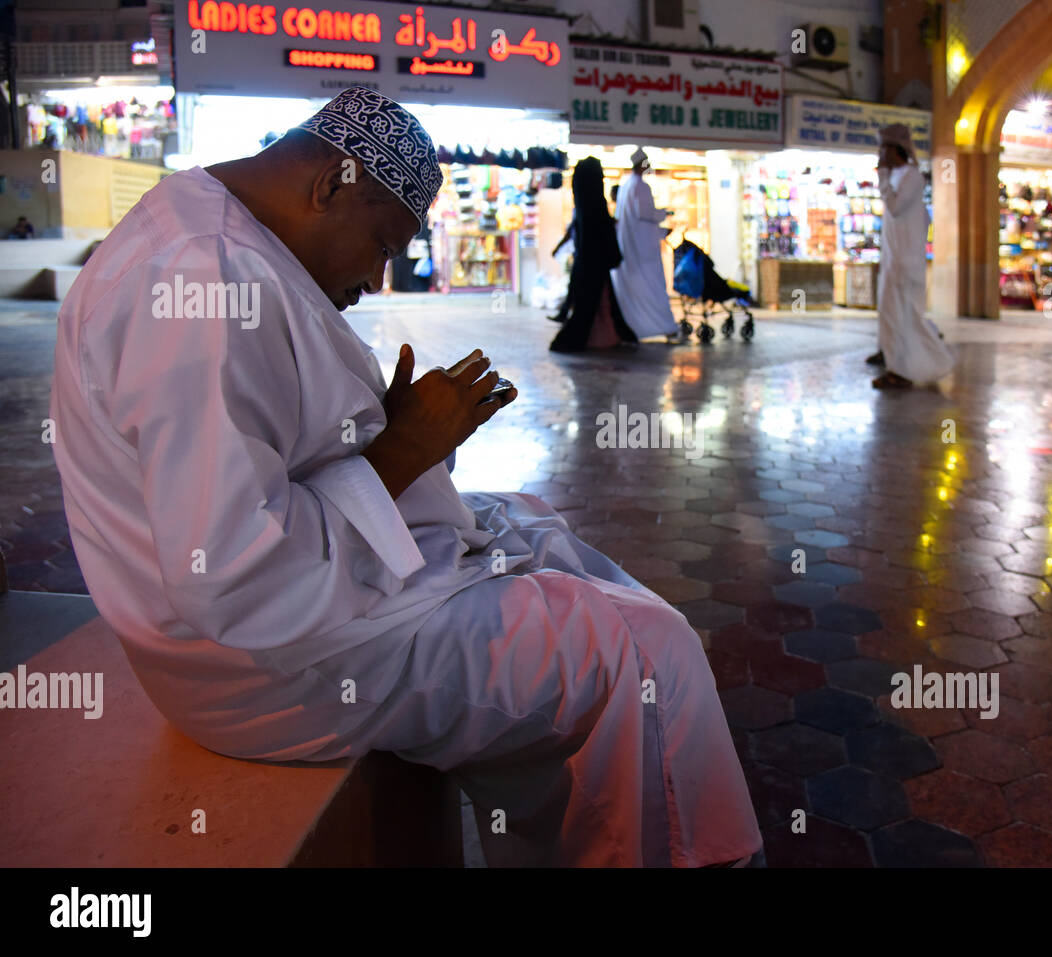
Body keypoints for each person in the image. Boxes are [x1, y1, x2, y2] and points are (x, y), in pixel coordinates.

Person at [49, 87, 761, 868]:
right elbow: (231, 574)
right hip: (268, 666)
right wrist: (401, 451)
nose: (380, 276)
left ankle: (609, 825)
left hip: (297, 613)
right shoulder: (201, 280)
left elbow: (265, 462)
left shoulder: (213, 233)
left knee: (540, 529)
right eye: (384, 243)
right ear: (331, 185)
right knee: (645, 647)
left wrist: (383, 431)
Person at [867, 124, 955, 389]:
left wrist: (882, 175)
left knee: (907, 318)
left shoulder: (913, 177)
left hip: (905, 263)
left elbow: (894, 207)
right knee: (891, 313)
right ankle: (891, 357)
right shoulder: (898, 176)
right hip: (894, 261)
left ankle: (910, 368)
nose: (882, 155)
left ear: (897, 150)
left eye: (885, 149)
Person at [549, 157, 638, 353]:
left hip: (587, 260)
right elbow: (601, 229)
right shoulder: (596, 203)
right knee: (598, 301)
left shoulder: (582, 202)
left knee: (590, 302)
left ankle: (597, 336)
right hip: (596, 261)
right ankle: (602, 337)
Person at [610, 147, 683, 342]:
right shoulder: (640, 186)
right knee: (653, 289)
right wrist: (664, 214)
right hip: (643, 252)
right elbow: (645, 214)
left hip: (636, 249)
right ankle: (665, 327)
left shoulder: (627, 186)